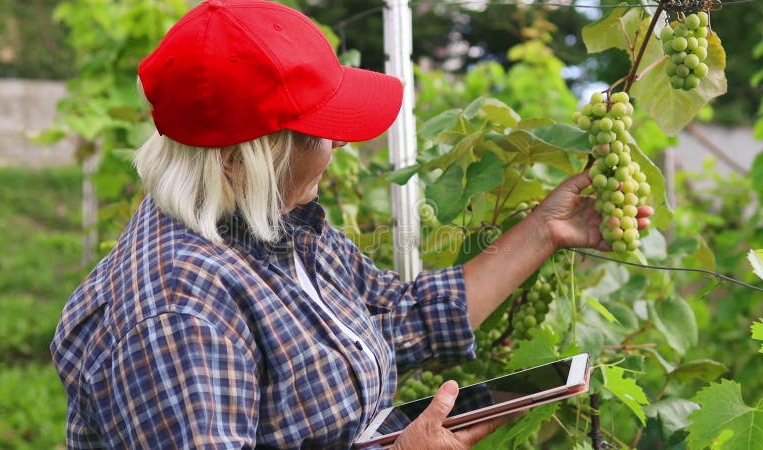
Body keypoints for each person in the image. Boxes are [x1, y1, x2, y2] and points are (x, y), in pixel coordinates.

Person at [50, 1, 652, 449]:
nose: (337, 140)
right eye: (319, 130)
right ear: (241, 158)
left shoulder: (275, 228)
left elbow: (399, 319)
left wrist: (545, 230)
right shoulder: (180, 315)